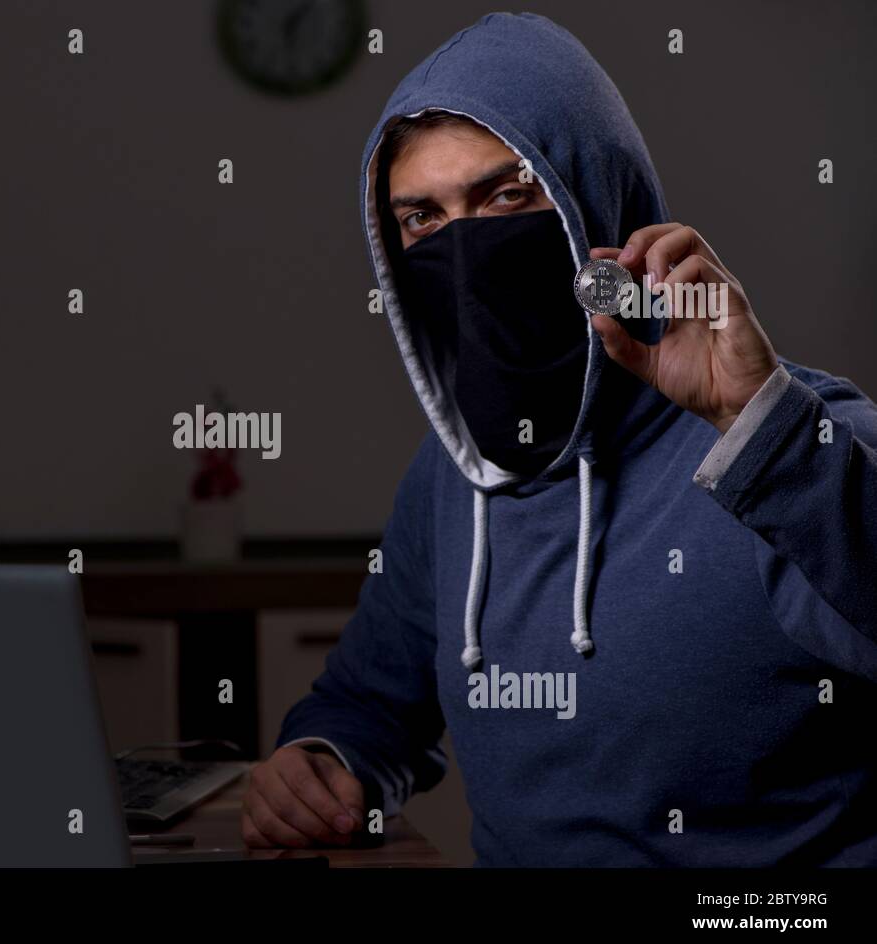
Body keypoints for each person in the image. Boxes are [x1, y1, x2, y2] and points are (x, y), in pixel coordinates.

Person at [241, 12, 877, 865]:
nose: (466, 248)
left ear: (599, 205)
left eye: (509, 196)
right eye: (423, 219)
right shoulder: (450, 476)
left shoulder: (791, 433)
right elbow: (367, 701)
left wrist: (761, 422)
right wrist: (320, 759)